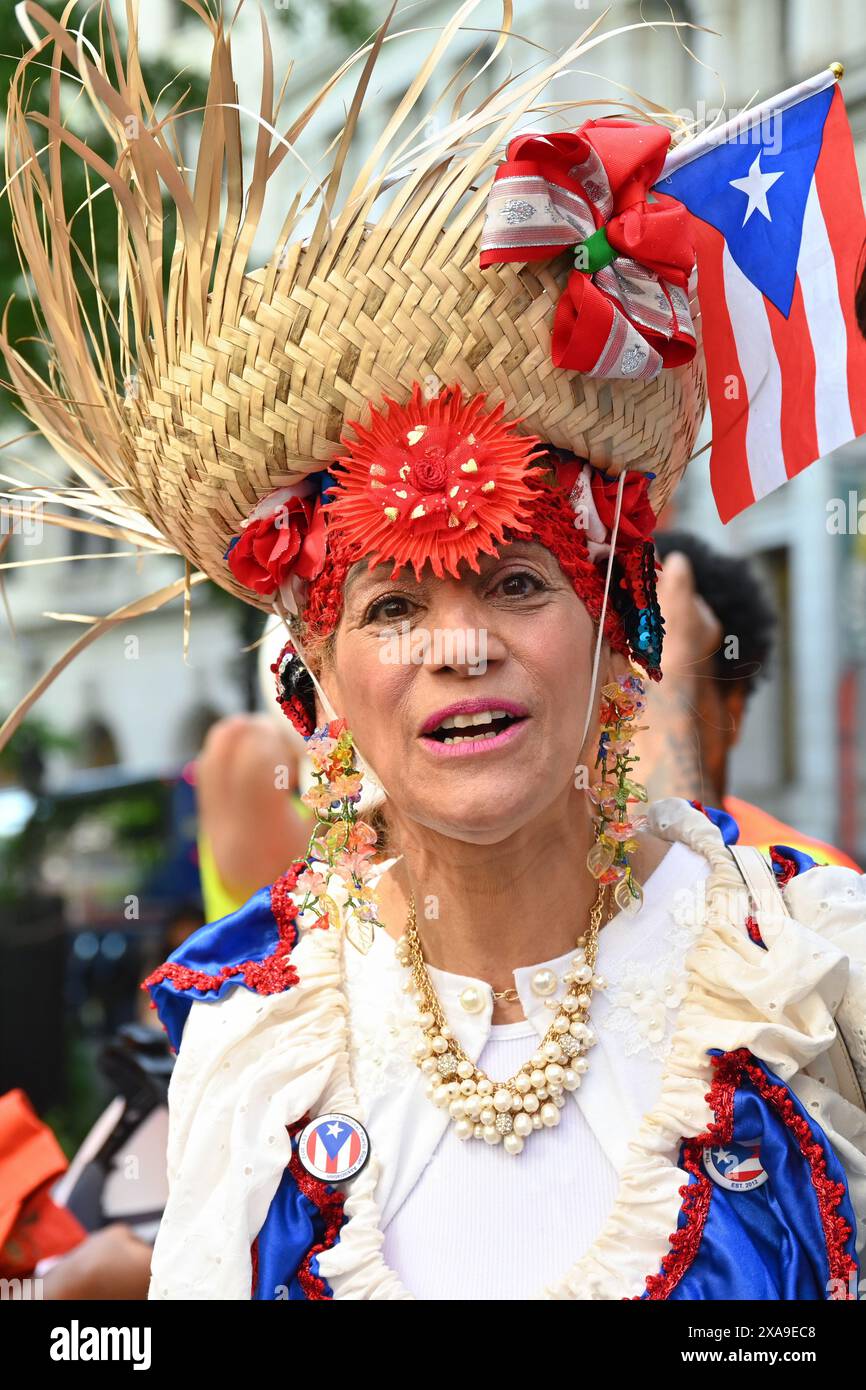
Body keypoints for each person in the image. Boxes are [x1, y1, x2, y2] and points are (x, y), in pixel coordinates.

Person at [3, 3, 866, 1304]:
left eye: (518, 581)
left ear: (617, 622)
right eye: (392, 608)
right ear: (320, 668)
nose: (458, 644)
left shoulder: (805, 978)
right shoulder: (255, 1041)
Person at [642, 531, 861, 870]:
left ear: (733, 712)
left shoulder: (809, 872)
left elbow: (694, 914)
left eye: (649, 695)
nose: (630, 733)